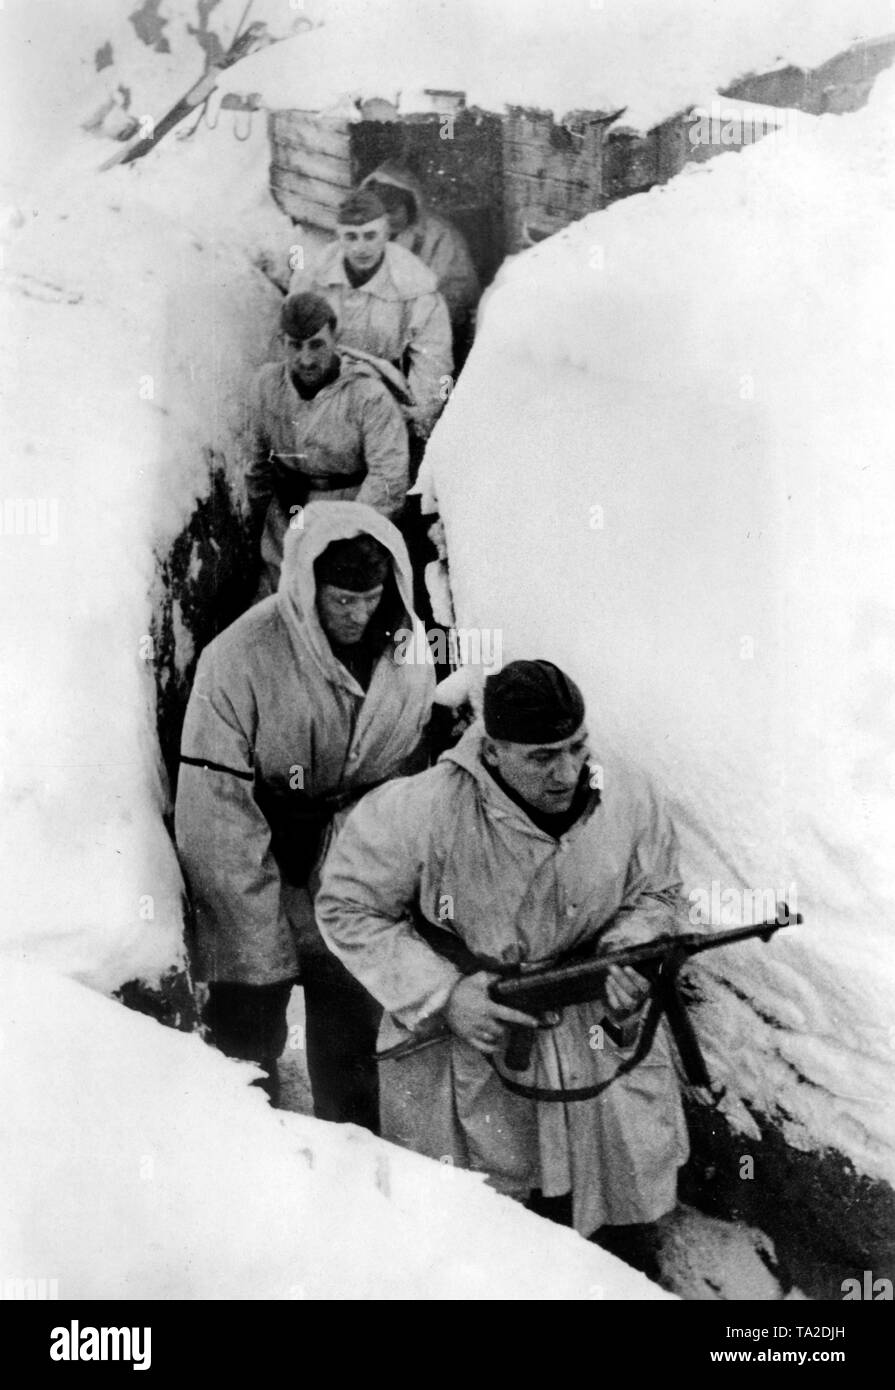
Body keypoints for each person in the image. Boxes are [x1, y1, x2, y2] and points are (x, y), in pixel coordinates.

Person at [316, 659, 689, 1272]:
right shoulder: (420, 810)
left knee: (616, 1234)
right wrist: (446, 995)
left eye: (575, 748)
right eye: (541, 758)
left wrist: (625, 955)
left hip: (590, 1035)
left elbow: (659, 891)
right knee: (484, 1244)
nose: (565, 773)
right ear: (490, 751)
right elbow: (347, 907)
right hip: (473, 1036)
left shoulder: (629, 794)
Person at [174, 501, 435, 1127]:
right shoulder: (237, 658)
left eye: (369, 598)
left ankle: (346, 1179)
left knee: (349, 1043)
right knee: (248, 1038)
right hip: (262, 855)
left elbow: (410, 771)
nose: (356, 614)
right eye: (340, 599)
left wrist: (386, 881)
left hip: (354, 862)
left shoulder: (405, 650)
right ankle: (244, 1161)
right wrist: (254, 926)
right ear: (305, 585)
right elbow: (214, 812)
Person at [246, 291, 409, 596]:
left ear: (335, 337)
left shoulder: (368, 395)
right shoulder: (266, 385)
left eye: (316, 345)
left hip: (348, 517)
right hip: (286, 516)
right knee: (273, 615)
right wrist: (259, 517)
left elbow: (389, 479)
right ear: (282, 342)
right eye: (295, 346)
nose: (306, 359)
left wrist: (344, 537)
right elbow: (259, 463)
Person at [289, 188, 453, 440]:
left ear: (386, 233)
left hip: (385, 386)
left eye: (370, 235)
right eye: (351, 237)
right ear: (338, 236)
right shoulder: (313, 276)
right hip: (326, 380)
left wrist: (420, 413)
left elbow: (434, 358)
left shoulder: (415, 285)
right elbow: (293, 341)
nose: (361, 247)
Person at [359, 162, 480, 336]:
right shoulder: (366, 234)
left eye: (392, 212)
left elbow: (457, 293)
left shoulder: (440, 235)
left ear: (410, 206)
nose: (385, 219)